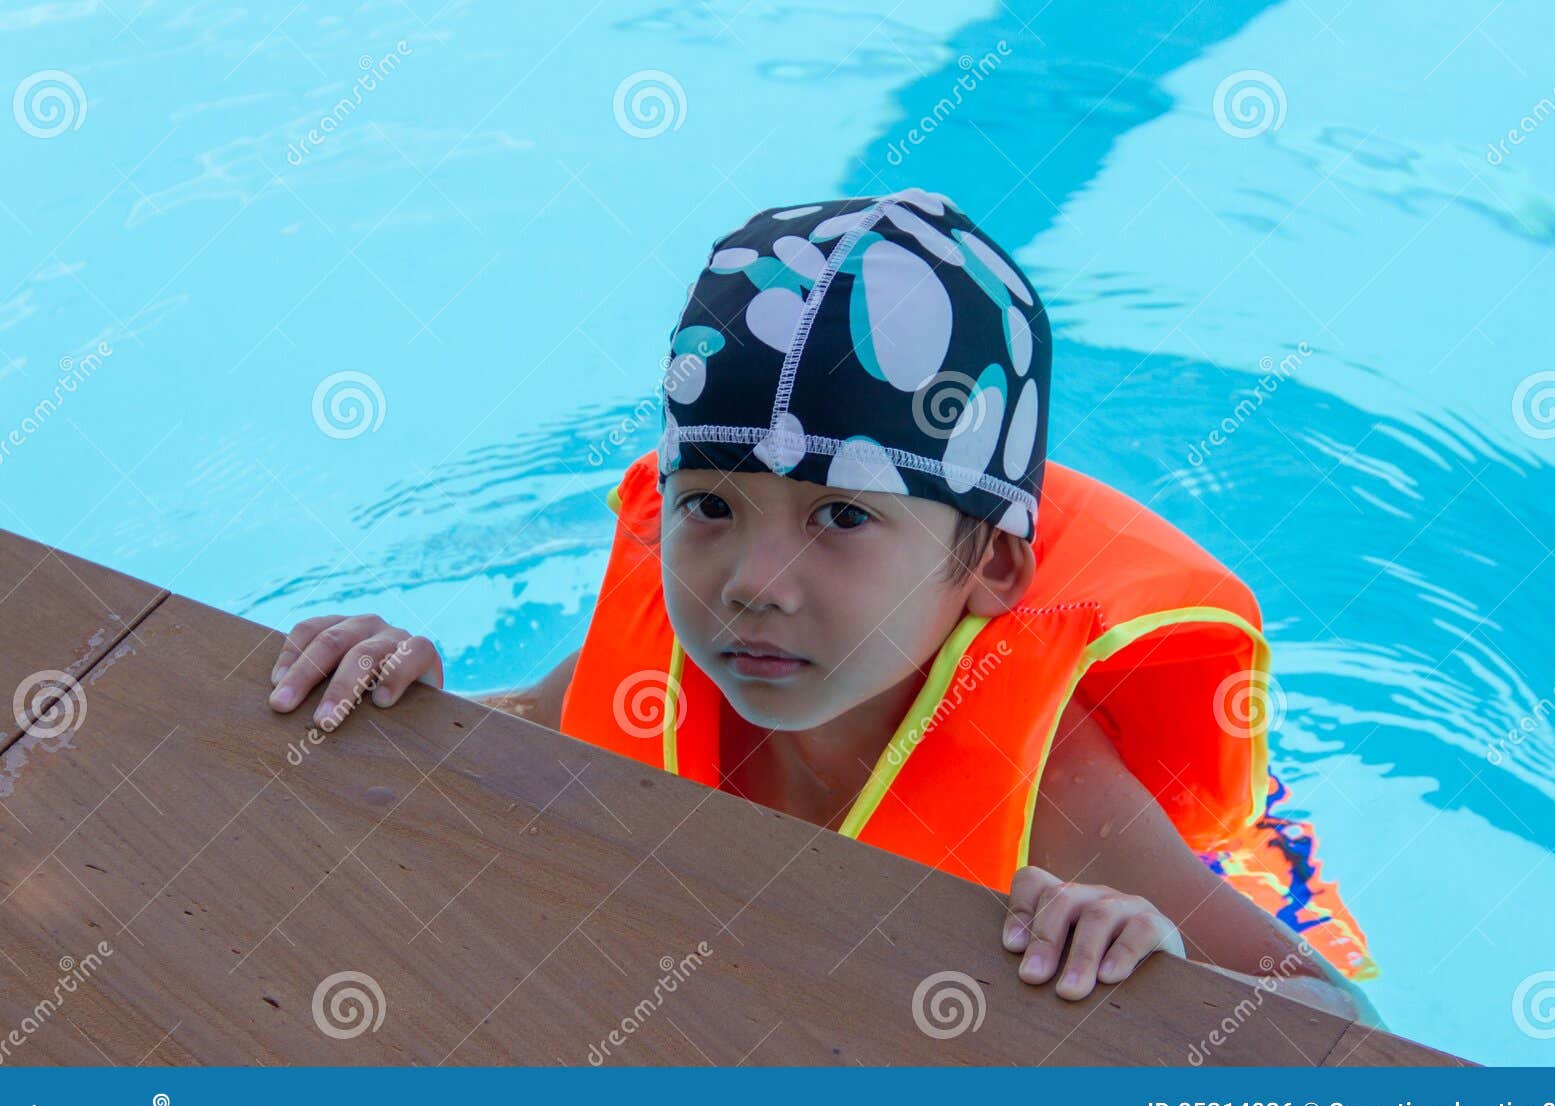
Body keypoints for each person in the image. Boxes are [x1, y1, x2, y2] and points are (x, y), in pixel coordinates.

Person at [267, 188, 1384, 1029]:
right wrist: (396, 679)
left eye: (842, 520)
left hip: (1245, 865)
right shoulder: (682, 661)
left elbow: (1352, 1032)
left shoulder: (1061, 790)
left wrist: (1156, 965)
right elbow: (516, 730)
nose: (753, 579)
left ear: (990, 567)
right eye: (709, 502)